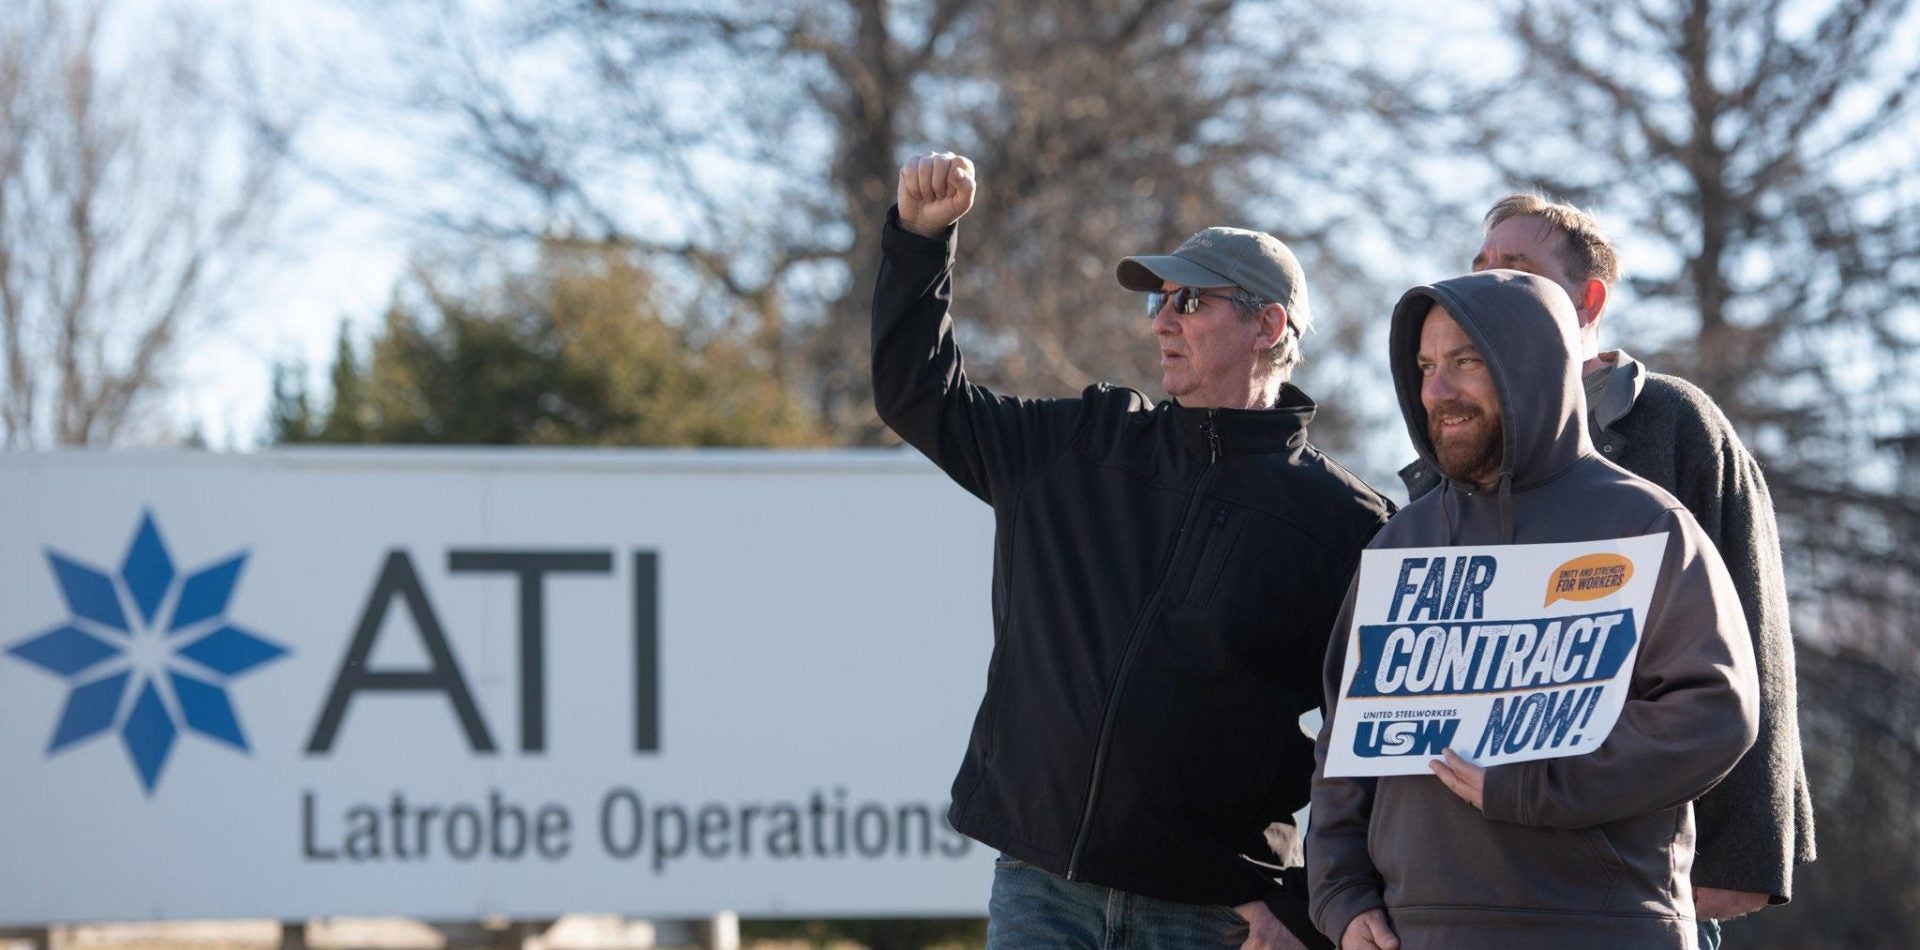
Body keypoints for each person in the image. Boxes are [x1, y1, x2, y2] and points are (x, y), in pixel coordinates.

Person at [873, 150, 1391, 949]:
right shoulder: (1082, 442)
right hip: (1043, 895)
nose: (1161, 320)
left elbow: (1378, 744)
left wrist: (1302, 905)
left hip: (1212, 918)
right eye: (1159, 298)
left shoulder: (1347, 523)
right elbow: (919, 394)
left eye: (1190, 299)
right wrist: (919, 240)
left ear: (1267, 327)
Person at [1400, 195, 1815, 948]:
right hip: (1475, 877)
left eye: (1517, 269)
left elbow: (1748, 638)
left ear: (1587, 300)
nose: (1489, 285)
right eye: (1480, 267)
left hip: (1639, 864)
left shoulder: (1670, 422)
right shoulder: (1456, 439)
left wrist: (1743, 852)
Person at [1308, 269, 1761, 949]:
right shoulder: (1404, 540)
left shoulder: (1644, 525)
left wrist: (1533, 786)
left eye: (1465, 362)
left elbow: (1714, 710)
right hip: (1415, 932)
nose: (1437, 391)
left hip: (1602, 929)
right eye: (1426, 367)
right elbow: (1345, 739)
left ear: (1532, 368)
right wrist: (1341, 896)